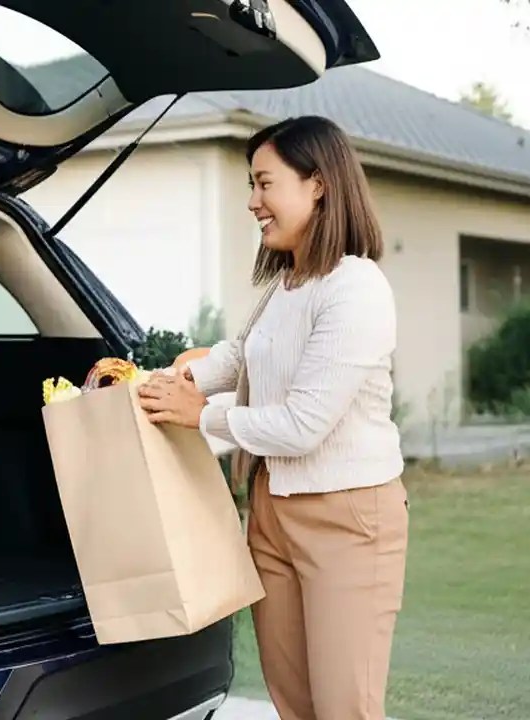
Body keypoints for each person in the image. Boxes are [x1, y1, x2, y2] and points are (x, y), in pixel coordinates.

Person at [137, 116, 408, 720]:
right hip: (271, 513)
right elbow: (240, 355)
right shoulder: (285, 285)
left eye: (264, 183)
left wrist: (200, 414)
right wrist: (165, 385)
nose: (252, 202)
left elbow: (304, 423)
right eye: (249, 185)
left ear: (318, 184)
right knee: (295, 705)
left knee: (344, 710)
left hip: (348, 519)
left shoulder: (356, 288)